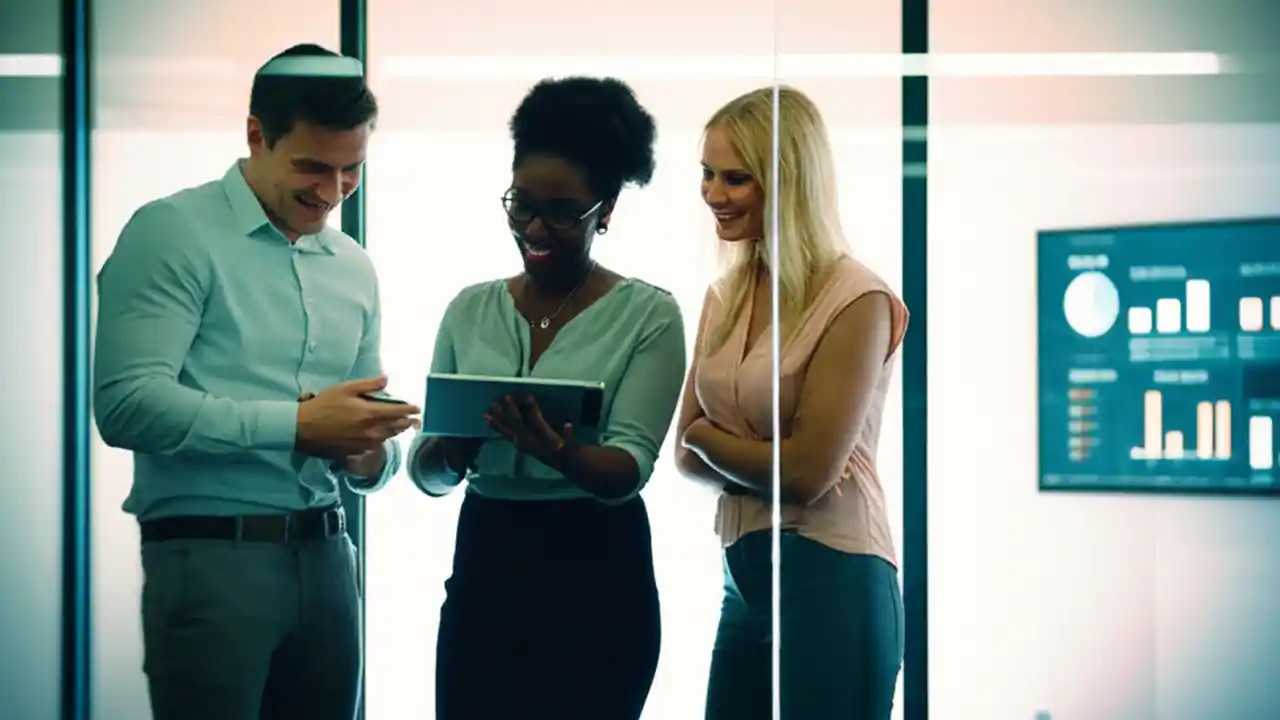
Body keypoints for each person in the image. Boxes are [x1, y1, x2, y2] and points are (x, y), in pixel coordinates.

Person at [92, 44, 419, 720]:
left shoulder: (353, 265)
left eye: (351, 171)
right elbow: (126, 406)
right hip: (210, 557)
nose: (331, 193)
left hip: (330, 556)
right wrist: (299, 425)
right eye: (312, 167)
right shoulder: (172, 233)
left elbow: (362, 445)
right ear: (254, 135)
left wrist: (366, 452)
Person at [405, 76, 686, 719]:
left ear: (606, 209)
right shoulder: (469, 309)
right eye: (520, 204)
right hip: (488, 557)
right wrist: (453, 448)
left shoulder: (649, 315)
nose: (534, 227)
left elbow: (628, 469)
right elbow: (427, 472)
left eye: (561, 212)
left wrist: (556, 451)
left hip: (596, 564)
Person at [676, 86, 910, 719]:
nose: (713, 194)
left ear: (787, 183)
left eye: (735, 178)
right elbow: (683, 452)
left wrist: (709, 439)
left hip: (832, 570)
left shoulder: (856, 297)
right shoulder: (725, 296)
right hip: (744, 574)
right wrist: (726, 448)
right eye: (706, 173)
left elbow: (807, 474)